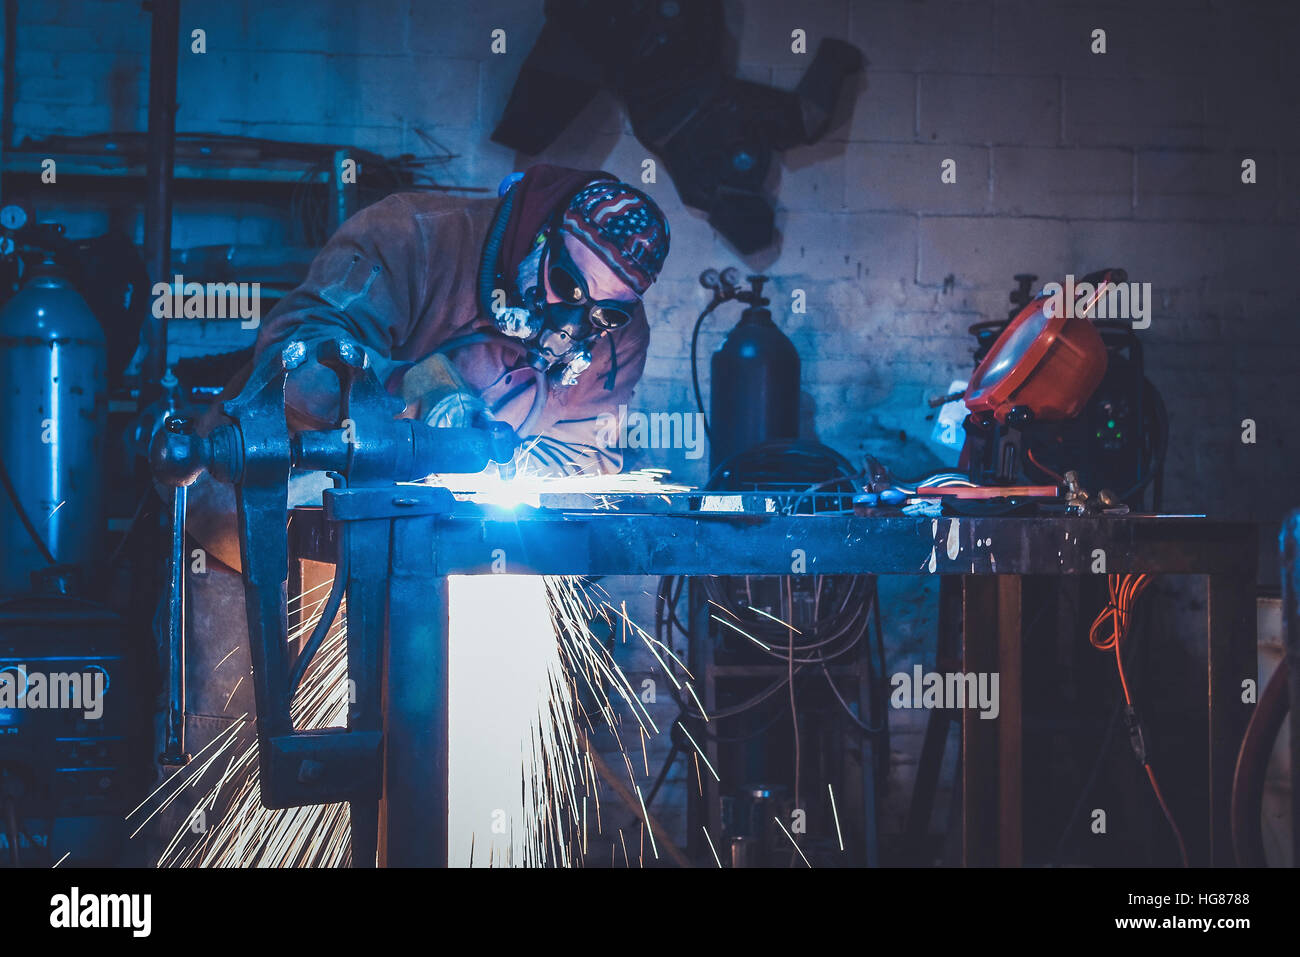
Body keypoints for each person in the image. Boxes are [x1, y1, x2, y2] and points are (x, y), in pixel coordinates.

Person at [147, 165, 670, 853]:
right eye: (568, 287)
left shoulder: (615, 339)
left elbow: (582, 454)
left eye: (603, 311)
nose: (573, 324)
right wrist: (426, 397)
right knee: (241, 764)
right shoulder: (412, 236)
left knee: (407, 777)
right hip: (261, 532)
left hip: (423, 567)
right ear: (535, 239)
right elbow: (301, 355)